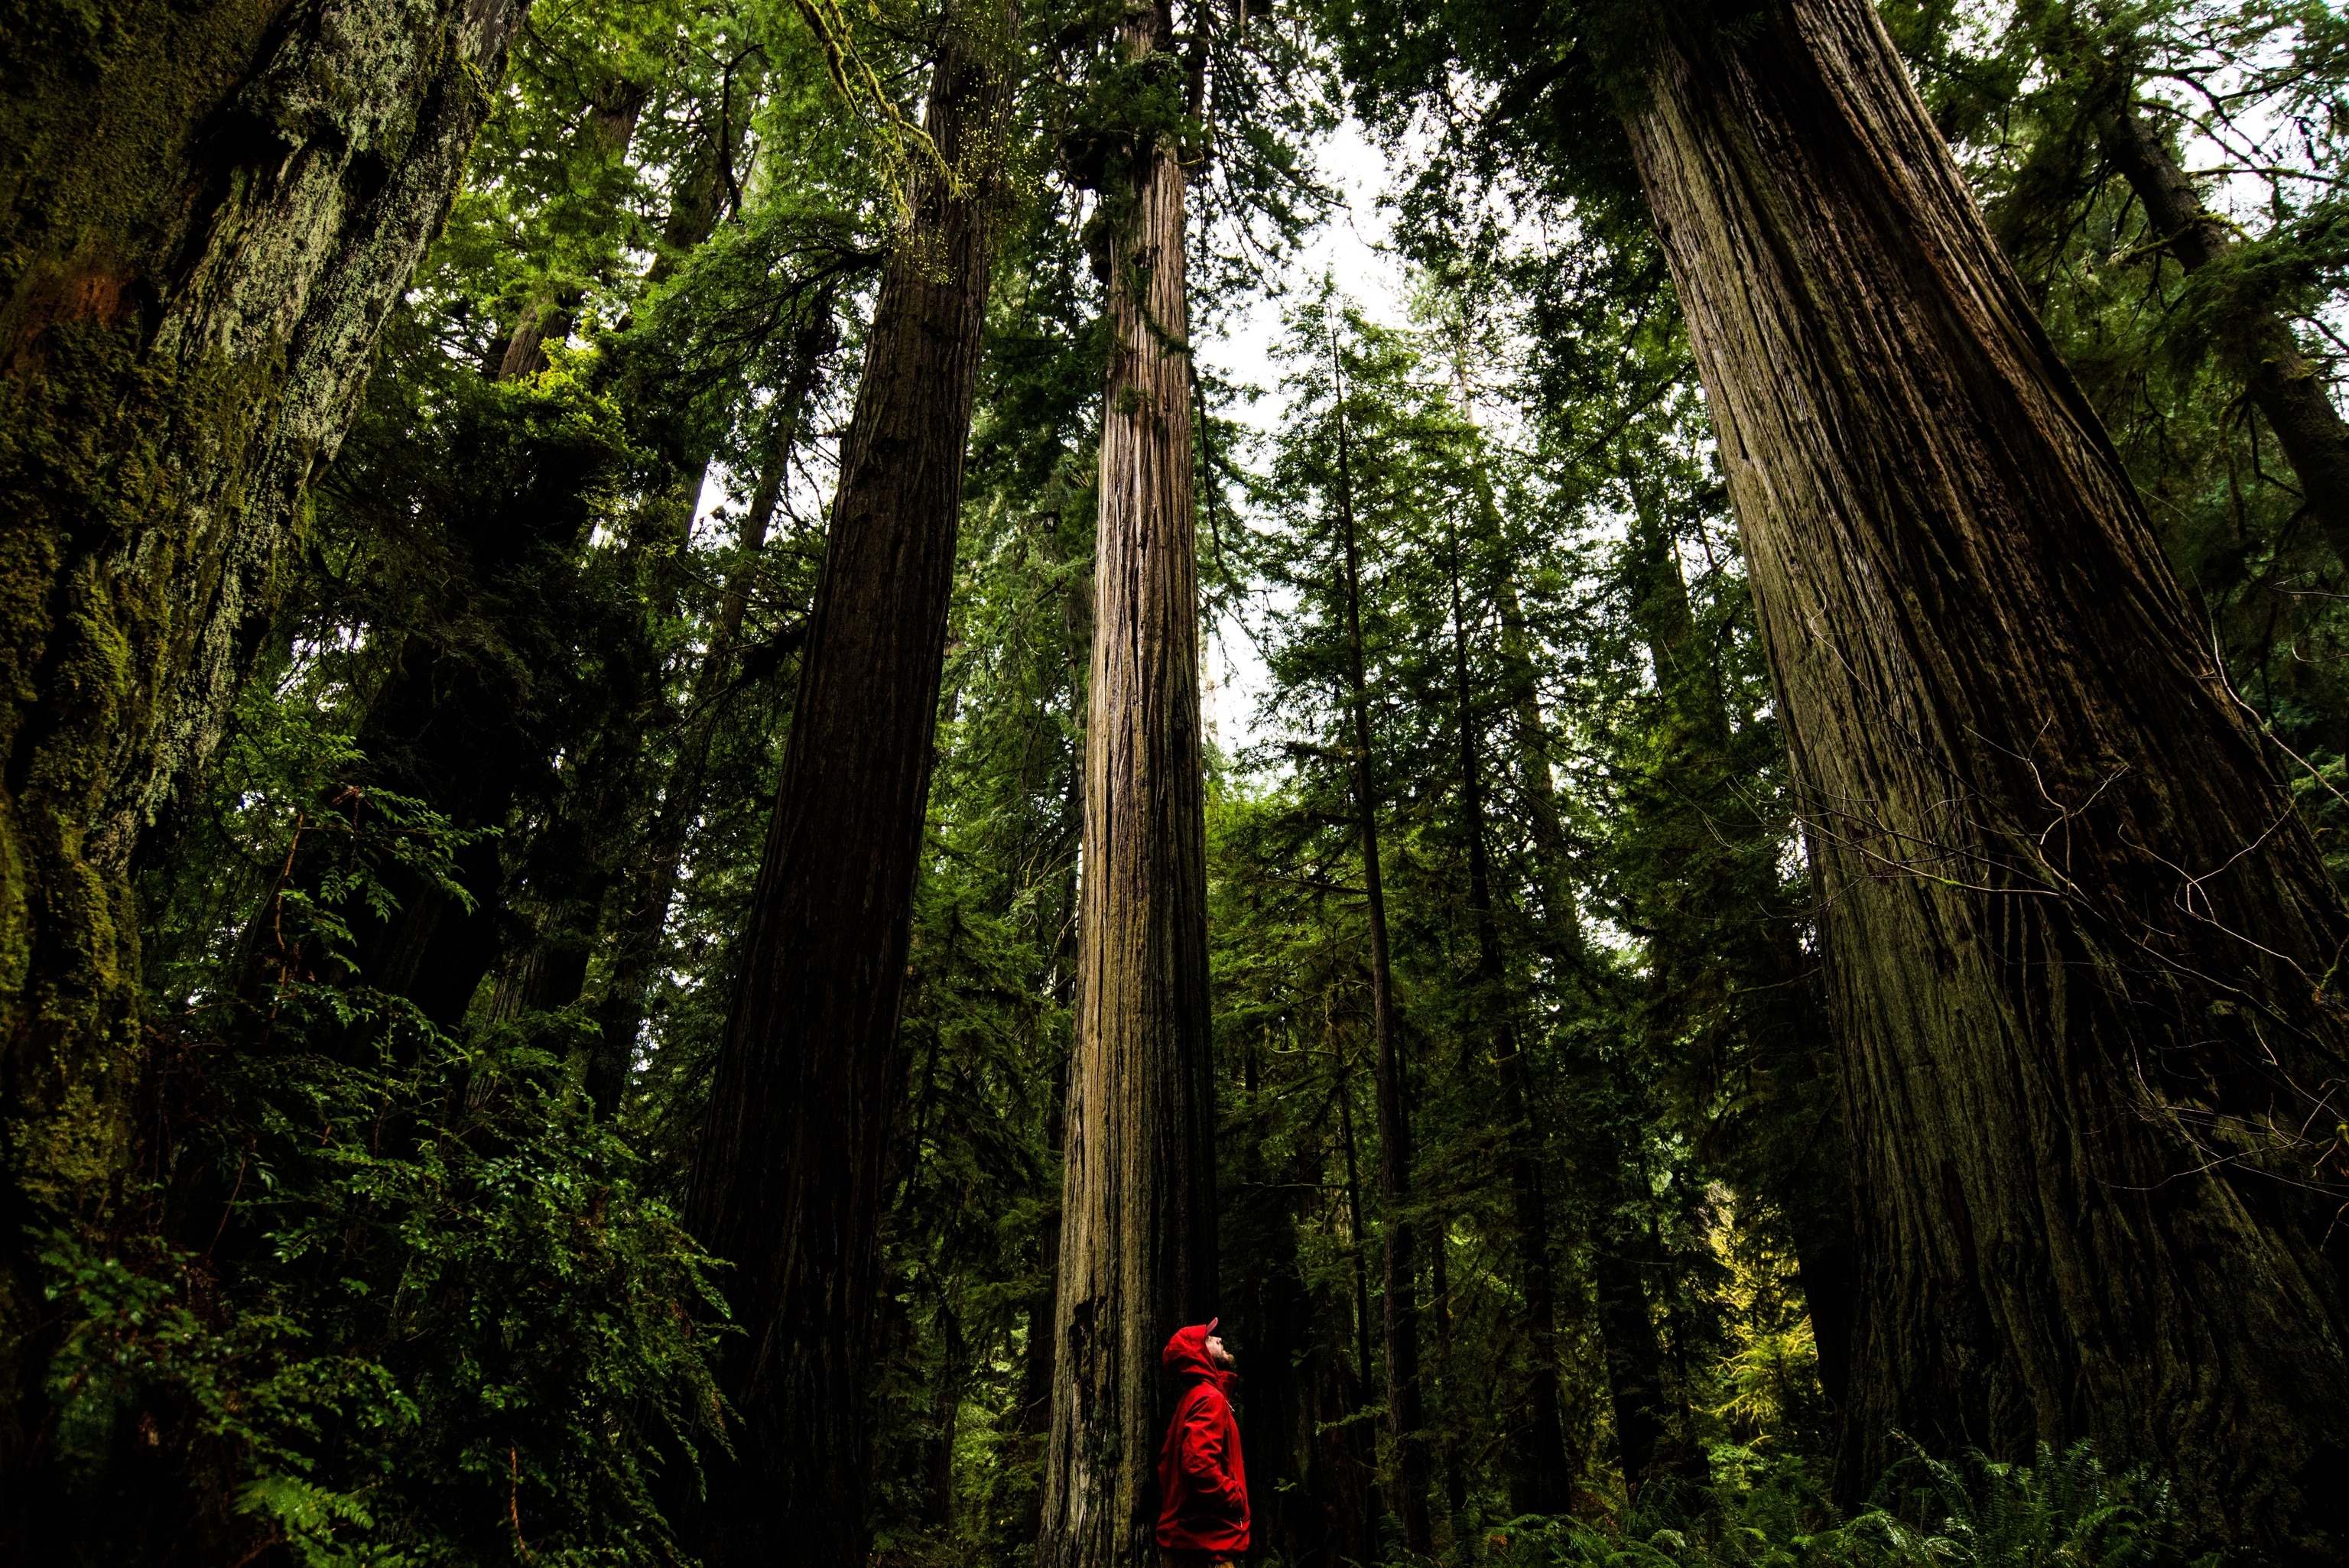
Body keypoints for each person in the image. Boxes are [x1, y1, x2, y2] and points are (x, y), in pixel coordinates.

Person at [1156, 1318, 1249, 1567]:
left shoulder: (1194, 1398)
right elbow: (1198, 1466)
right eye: (1208, 1338)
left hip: (1193, 1544)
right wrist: (1235, 1498)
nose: (1218, 1339)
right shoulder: (1208, 1398)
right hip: (1204, 1549)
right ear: (1197, 1353)